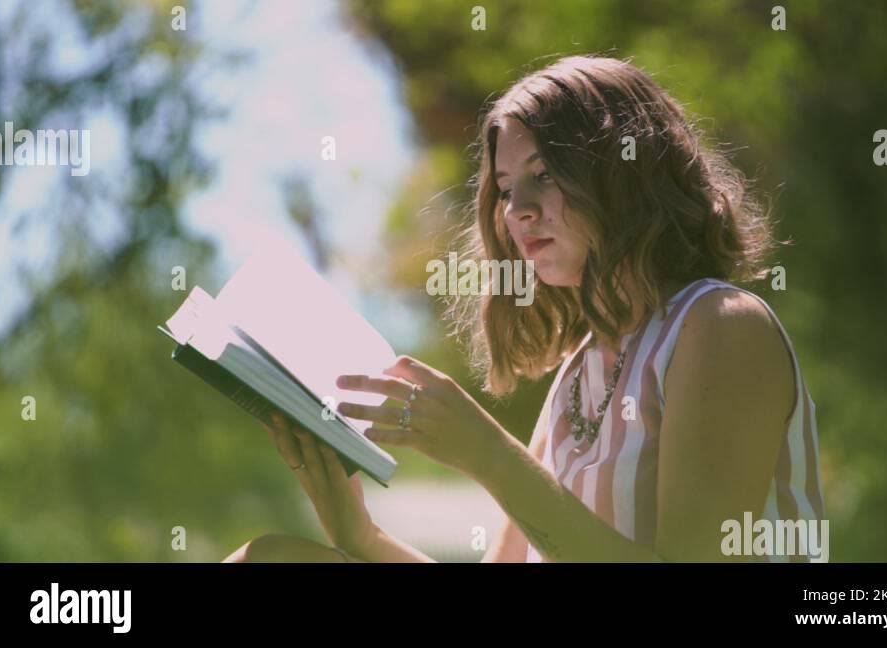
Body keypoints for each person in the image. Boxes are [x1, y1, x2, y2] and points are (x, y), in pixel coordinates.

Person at [222, 54, 825, 564]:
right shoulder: (576, 377)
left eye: (546, 174)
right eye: (508, 189)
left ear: (625, 173)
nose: (519, 211)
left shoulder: (721, 327)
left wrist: (488, 454)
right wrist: (358, 532)